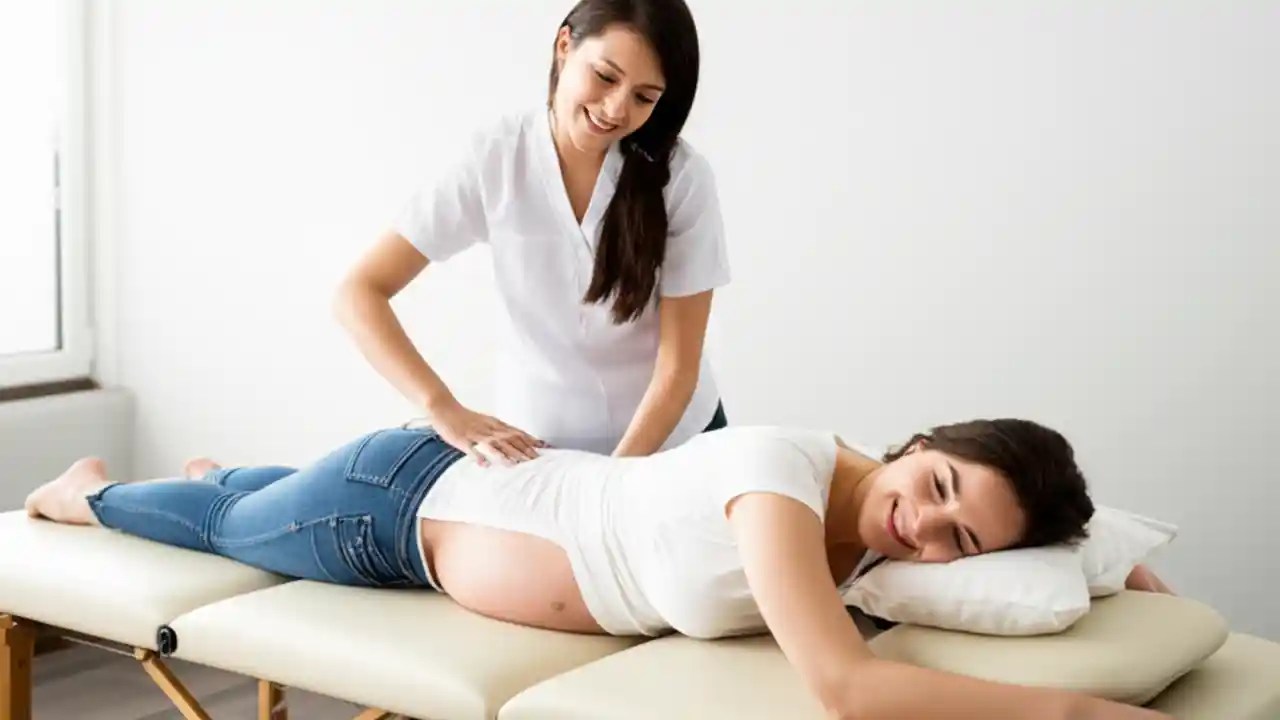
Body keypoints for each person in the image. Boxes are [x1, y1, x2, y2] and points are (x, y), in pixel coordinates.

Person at [26, 418, 1173, 719]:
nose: (923, 531)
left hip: (421, 513)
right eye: (935, 490)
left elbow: (1091, 558)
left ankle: (223, 472)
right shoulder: (778, 477)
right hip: (392, 514)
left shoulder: (869, 544)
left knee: (251, 500)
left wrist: (1138, 590)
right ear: (925, 441)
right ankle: (88, 490)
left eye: (960, 541)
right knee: (226, 529)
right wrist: (1074, 714)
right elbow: (846, 691)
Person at [335, 0, 730, 465]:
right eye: (605, 76)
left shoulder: (681, 178)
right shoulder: (497, 160)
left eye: (644, 97)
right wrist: (441, 407)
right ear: (565, 45)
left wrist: (610, 485)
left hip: (672, 443)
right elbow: (359, 291)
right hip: (541, 450)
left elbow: (678, 370)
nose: (615, 109)